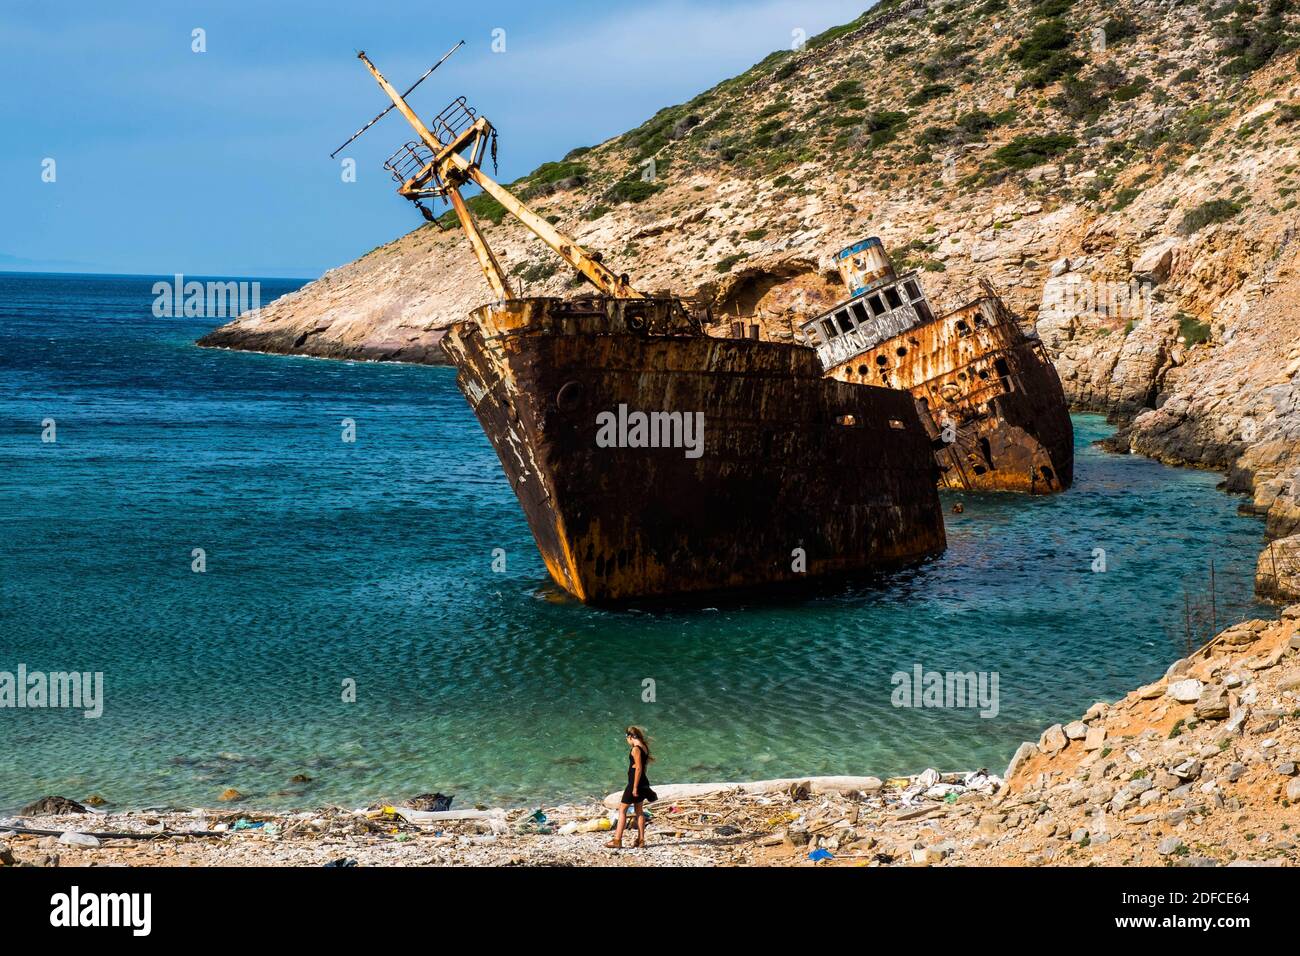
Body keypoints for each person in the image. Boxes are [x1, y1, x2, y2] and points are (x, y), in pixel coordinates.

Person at [606, 725, 657, 849]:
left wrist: (634, 787)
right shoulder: (644, 747)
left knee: (622, 810)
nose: (627, 742)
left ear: (630, 737)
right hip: (642, 782)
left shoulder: (636, 749)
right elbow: (642, 767)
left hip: (635, 783)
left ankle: (617, 840)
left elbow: (638, 767)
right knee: (639, 811)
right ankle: (641, 840)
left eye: (627, 739)